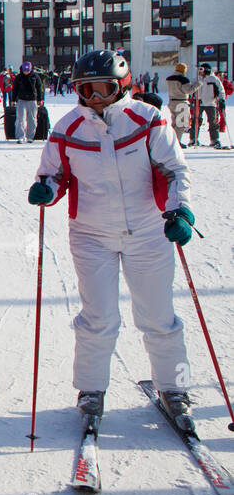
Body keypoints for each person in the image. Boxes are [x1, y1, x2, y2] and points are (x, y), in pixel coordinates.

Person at [28, 50, 194, 422]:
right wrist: (46, 190)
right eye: (85, 90)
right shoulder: (67, 127)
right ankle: (91, 389)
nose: (94, 98)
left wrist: (179, 210)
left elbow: (173, 171)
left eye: (102, 88)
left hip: (149, 230)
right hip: (91, 234)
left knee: (158, 316)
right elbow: (52, 174)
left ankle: (174, 385)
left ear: (121, 86)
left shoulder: (148, 118)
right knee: (97, 317)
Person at [165, 63, 199, 145]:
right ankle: (176, 142)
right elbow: (188, 90)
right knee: (181, 124)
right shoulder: (183, 79)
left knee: (174, 123)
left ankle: (171, 140)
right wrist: (198, 84)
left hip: (172, 101)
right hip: (181, 102)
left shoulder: (169, 78)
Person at [11, 61, 43, 143]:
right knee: (20, 119)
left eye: (27, 70)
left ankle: (30, 136)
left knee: (32, 119)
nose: (26, 72)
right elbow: (15, 89)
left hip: (32, 100)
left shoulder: (35, 77)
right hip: (21, 100)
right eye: (24, 70)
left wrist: (40, 99)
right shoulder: (19, 77)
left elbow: (39, 89)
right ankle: (20, 136)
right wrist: (13, 100)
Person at [194, 64, 224, 148]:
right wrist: (193, 99)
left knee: (213, 122)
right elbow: (191, 88)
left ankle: (214, 139)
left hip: (211, 103)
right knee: (196, 120)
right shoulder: (197, 78)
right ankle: (193, 139)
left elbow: (221, 90)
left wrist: (222, 99)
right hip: (199, 103)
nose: (200, 71)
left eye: (202, 69)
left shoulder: (214, 79)